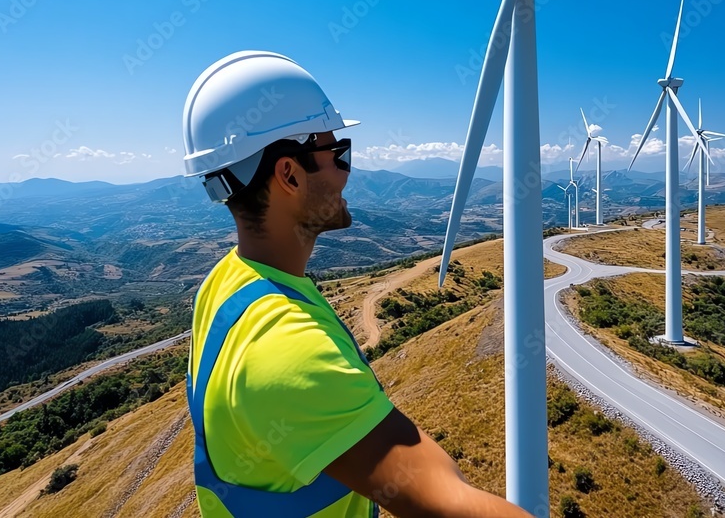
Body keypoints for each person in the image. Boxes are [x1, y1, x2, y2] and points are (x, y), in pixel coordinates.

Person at [182, 51, 532, 518]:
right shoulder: (288, 351)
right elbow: (451, 507)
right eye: (338, 154)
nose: (349, 170)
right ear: (288, 174)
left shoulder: (226, 283)